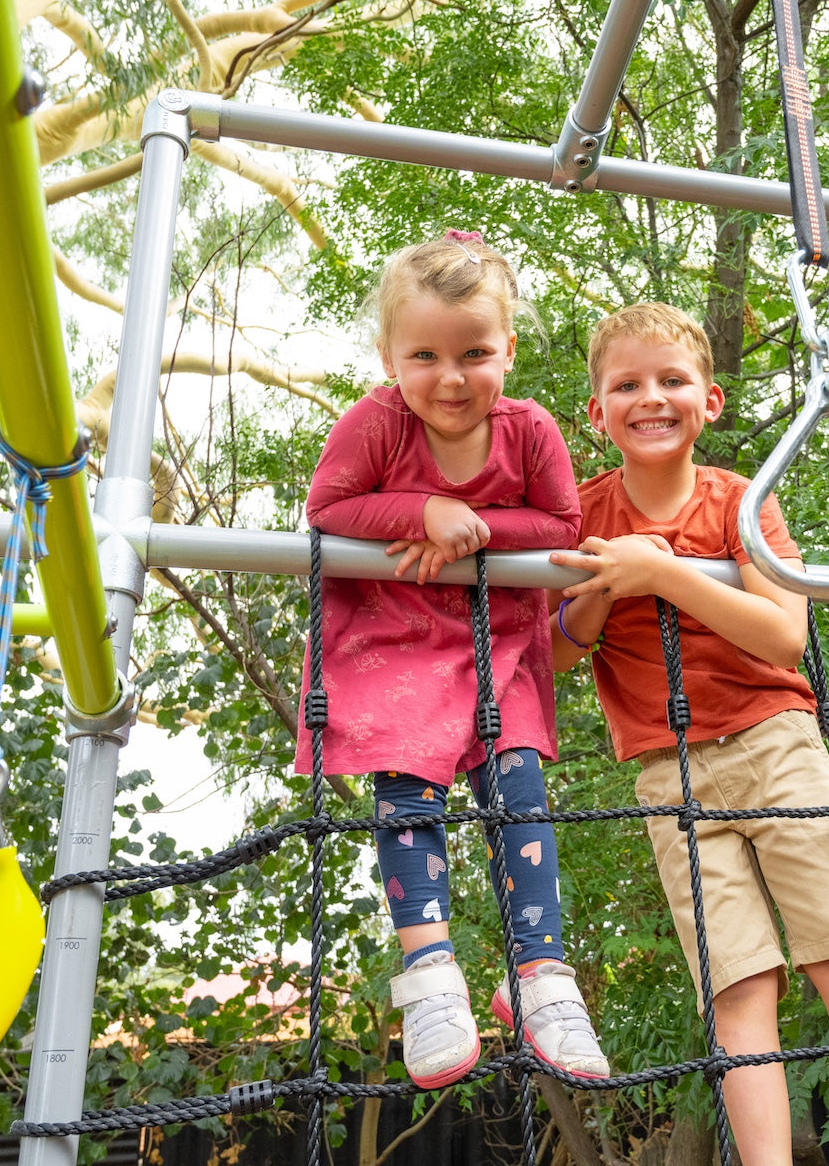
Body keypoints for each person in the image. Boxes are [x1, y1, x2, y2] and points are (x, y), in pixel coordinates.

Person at [548, 302, 829, 1165]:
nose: (652, 398)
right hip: (668, 775)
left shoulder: (740, 500)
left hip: (778, 748)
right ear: (596, 413)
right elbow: (561, 653)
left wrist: (664, 572)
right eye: (627, 385)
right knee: (736, 990)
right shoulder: (583, 512)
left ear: (709, 401)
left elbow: (783, 632)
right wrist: (606, 588)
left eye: (672, 381)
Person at [295, 231, 608, 1089]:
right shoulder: (375, 423)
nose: (453, 376)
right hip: (395, 642)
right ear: (388, 356)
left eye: (476, 352)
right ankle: (430, 977)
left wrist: (471, 532)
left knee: (520, 793)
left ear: (508, 348)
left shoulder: (529, 429)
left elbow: (562, 526)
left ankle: (539, 975)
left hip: (495, 639)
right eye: (424, 355)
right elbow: (327, 506)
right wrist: (423, 510)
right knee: (406, 801)